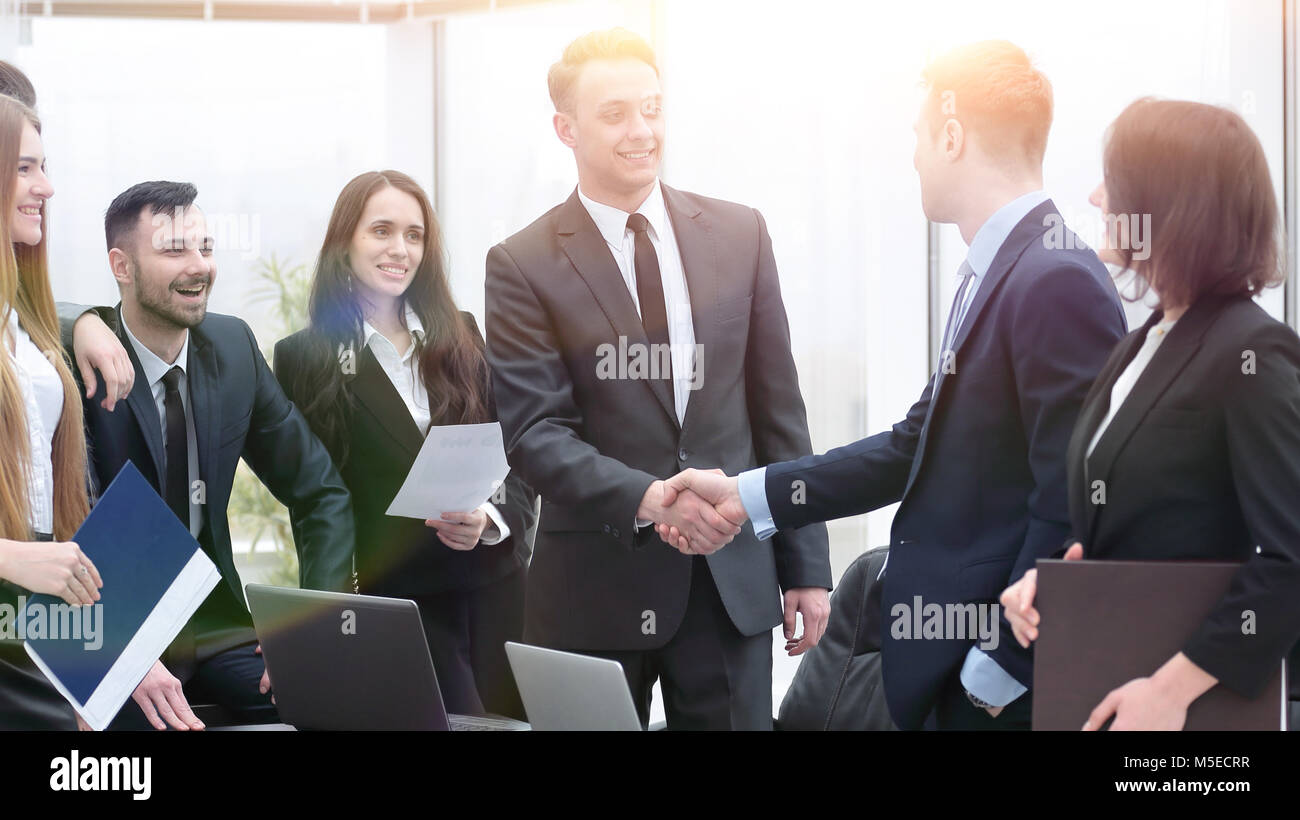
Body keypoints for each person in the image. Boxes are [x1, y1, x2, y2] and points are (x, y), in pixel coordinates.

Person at [659, 40, 1127, 730]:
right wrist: (745, 495)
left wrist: (995, 672)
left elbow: (1071, 500)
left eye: (917, 136)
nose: (912, 156)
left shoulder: (1052, 278)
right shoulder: (1003, 271)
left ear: (951, 132)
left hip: (996, 684)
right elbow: (915, 445)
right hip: (954, 670)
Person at [485, 28, 831, 730]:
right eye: (615, 114)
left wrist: (807, 565)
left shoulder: (741, 235)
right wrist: (650, 499)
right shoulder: (521, 264)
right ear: (567, 128)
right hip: (591, 591)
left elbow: (779, 414)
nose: (641, 130)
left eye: (652, 108)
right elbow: (535, 435)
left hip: (729, 582)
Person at [1000, 98, 1300, 730]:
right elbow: (1154, 514)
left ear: (1168, 201)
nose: (1096, 196)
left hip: (1187, 710)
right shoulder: (1145, 343)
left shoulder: (1252, 351)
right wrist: (1060, 575)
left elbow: (1291, 557)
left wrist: (1170, 691)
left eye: (1116, 180)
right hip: (1110, 677)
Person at [59, 181, 356, 729]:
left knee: (329, 702)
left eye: (207, 248)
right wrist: (79, 321)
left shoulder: (233, 347)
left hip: (216, 620)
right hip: (114, 624)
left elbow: (319, 491)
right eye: (174, 250)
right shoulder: (79, 358)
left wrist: (311, 622)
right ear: (121, 267)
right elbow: (24, 317)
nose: (199, 266)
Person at [274, 170, 536, 718]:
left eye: (414, 235)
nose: (400, 249)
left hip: (498, 593)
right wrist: (314, 618)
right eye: (382, 231)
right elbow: (316, 500)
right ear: (345, 242)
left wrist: (491, 518)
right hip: (400, 604)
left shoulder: (461, 334)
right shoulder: (306, 358)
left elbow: (518, 453)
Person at [0, 95, 104, 730]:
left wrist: (107, 653)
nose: (47, 186)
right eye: (25, 168)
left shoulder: (27, 329)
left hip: (38, 614)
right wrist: (9, 558)